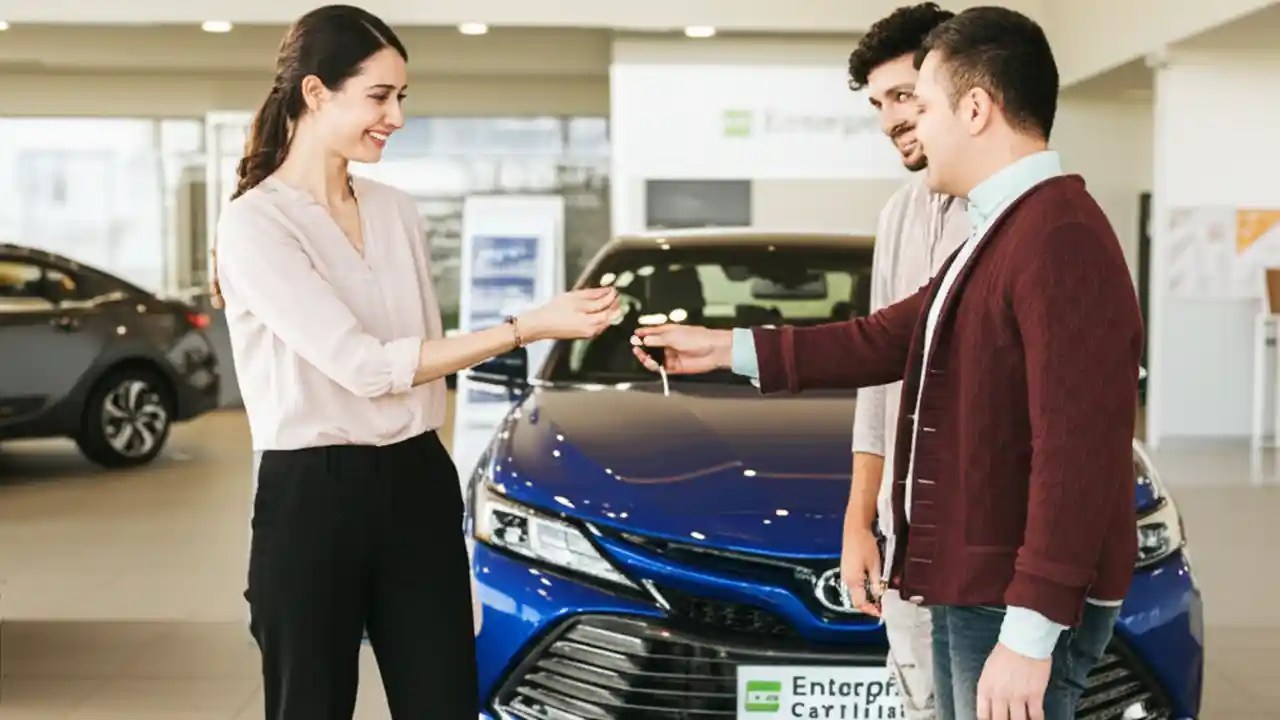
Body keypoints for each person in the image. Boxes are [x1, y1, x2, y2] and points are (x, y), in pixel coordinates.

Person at [632, 7, 1142, 720]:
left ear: (974, 109)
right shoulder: (1003, 232)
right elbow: (883, 339)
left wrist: (1029, 634)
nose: (909, 129)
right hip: (976, 582)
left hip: (1007, 596)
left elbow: (1078, 454)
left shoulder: (1058, 239)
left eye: (921, 105)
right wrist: (723, 348)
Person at [210, 6, 619, 719]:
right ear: (315, 93)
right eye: (379, 96)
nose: (395, 115)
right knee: (311, 705)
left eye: (402, 97)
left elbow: (421, 350)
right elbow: (367, 368)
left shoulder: (396, 209)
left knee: (443, 701)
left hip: (417, 478)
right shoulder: (256, 223)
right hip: (313, 496)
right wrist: (527, 327)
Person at [842, 5, 969, 718]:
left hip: (988, 549)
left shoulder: (1020, 215)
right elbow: (879, 377)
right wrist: (861, 520)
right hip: (908, 544)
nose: (891, 119)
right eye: (879, 104)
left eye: (904, 97)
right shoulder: (898, 214)